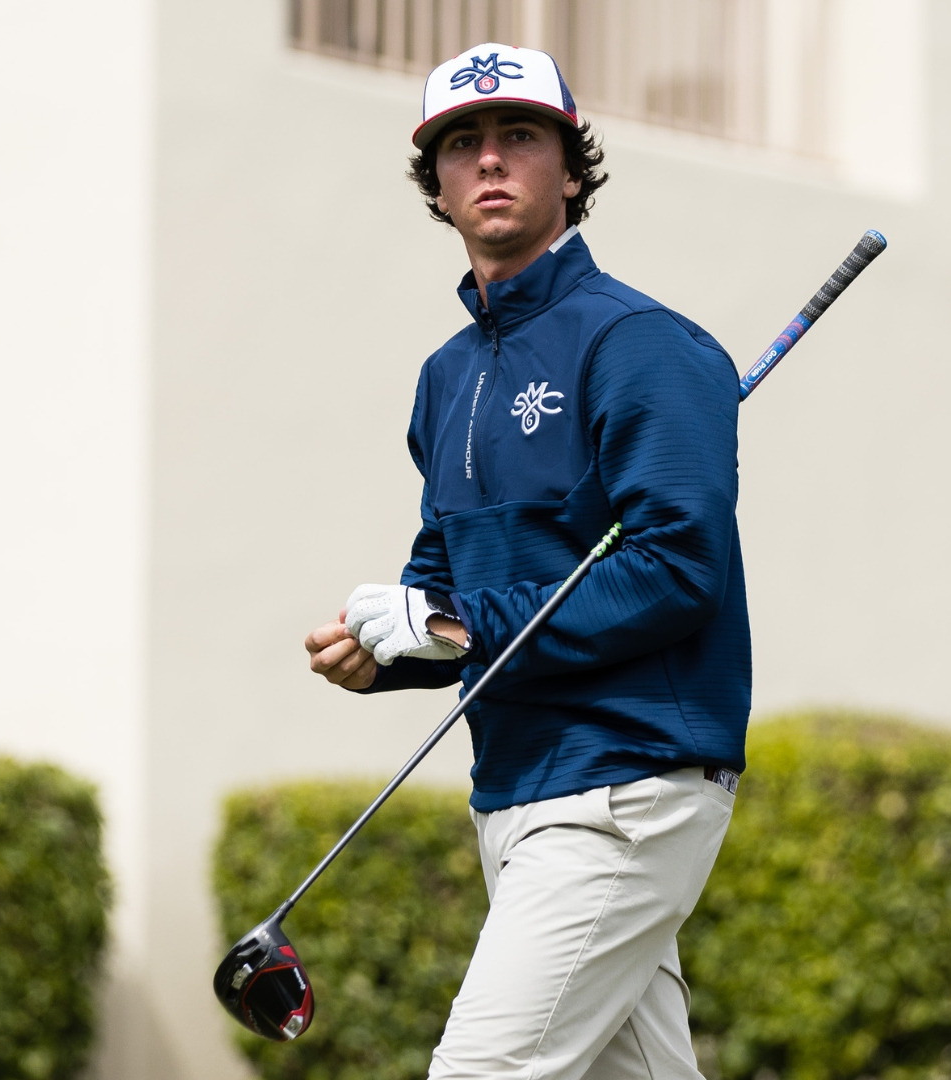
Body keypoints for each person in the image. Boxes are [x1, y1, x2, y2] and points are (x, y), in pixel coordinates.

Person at [302, 42, 751, 1080]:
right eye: (462, 143)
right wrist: (391, 649)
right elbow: (448, 585)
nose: (490, 160)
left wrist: (458, 629)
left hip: (625, 787)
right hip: (512, 789)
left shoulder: (645, 345)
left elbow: (679, 568)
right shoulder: (445, 376)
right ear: (438, 183)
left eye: (518, 136)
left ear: (570, 166)